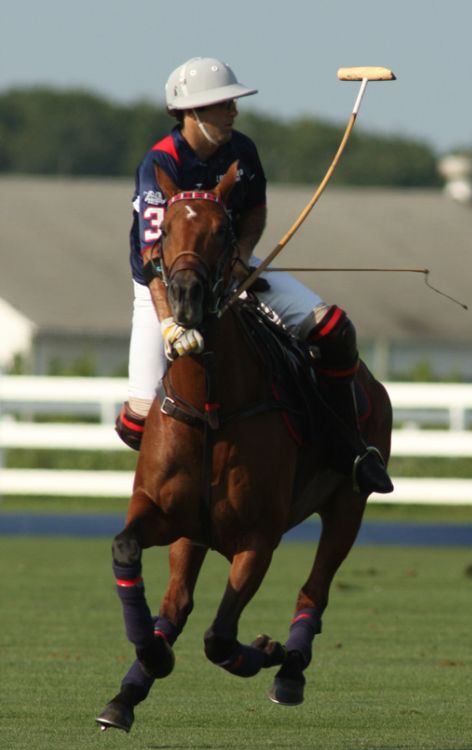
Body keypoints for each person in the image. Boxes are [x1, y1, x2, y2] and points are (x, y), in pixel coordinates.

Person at [116, 56, 392, 496]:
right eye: (223, 104)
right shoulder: (160, 164)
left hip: (231, 272)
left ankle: (346, 447)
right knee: (137, 417)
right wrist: (169, 323)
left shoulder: (241, 150)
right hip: (161, 286)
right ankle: (177, 492)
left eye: (231, 104)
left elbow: (254, 210)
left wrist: (242, 256)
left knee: (334, 329)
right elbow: (150, 254)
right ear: (191, 113)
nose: (233, 112)